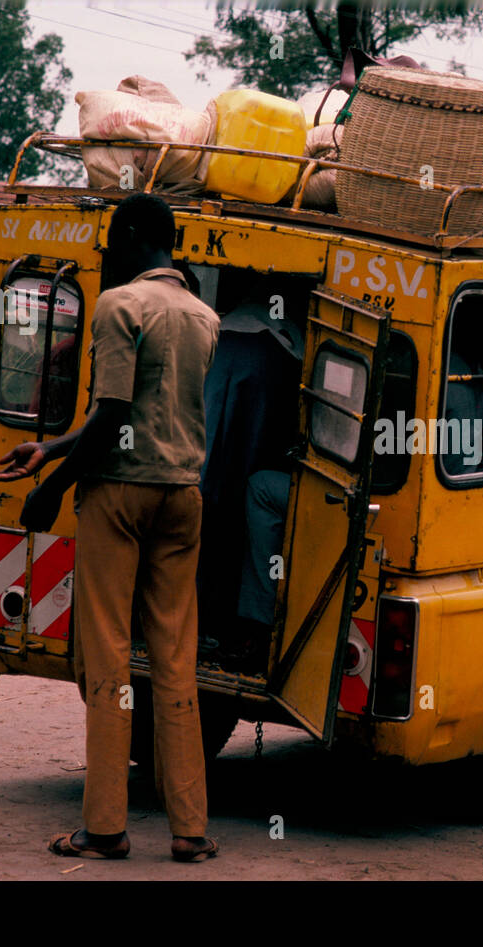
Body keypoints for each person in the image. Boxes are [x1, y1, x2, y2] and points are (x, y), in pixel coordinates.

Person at [0, 194, 219, 862]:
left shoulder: (122, 306)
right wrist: (52, 449)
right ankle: (190, 830)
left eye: (112, 240)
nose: (106, 253)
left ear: (135, 237)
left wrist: (51, 489)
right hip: (182, 498)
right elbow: (134, 413)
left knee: (108, 658)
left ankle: (105, 828)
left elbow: (115, 412)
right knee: (177, 661)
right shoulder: (204, 318)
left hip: (119, 496)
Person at [198, 271, 306, 672]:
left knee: (208, 505)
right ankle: (238, 626)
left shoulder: (218, 333)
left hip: (200, 467)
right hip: (250, 456)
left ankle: (202, 622)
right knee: (242, 504)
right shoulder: (284, 347)